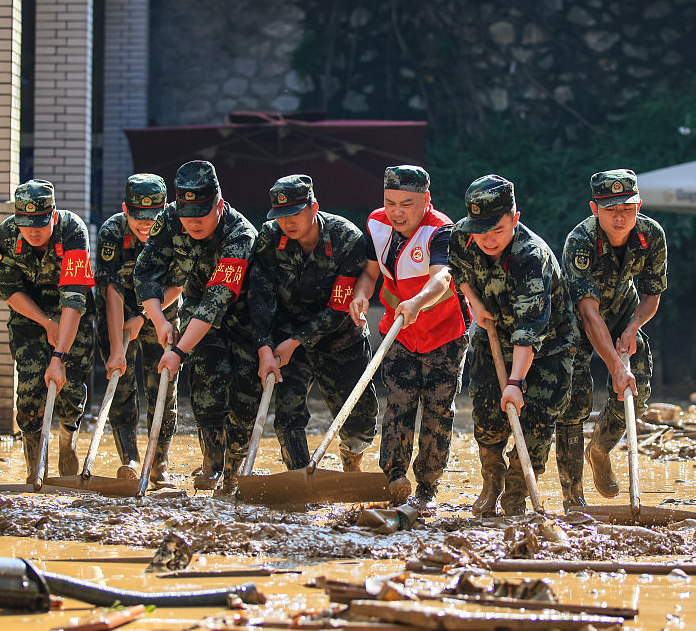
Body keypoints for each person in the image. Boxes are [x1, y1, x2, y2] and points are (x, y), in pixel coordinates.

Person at [449, 174, 577, 516]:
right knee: (487, 420)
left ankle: (516, 495)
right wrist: (474, 300)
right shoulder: (462, 235)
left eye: (498, 230)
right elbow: (457, 269)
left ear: (515, 218)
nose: (488, 239)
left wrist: (516, 383)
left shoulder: (530, 258)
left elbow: (529, 331)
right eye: (481, 231)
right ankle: (491, 484)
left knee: (535, 424)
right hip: (493, 335)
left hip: (546, 346)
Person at [349, 165, 472, 511]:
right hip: (399, 331)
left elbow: (442, 279)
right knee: (399, 402)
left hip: (443, 333)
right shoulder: (376, 223)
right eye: (390, 202)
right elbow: (370, 273)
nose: (397, 212)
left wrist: (417, 302)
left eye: (407, 203)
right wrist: (361, 294)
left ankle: (428, 487)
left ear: (426, 200)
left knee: (437, 410)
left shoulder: (441, 231)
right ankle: (394, 477)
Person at [133, 161, 260, 493]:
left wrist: (177, 351)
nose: (192, 224)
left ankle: (234, 474)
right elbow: (146, 272)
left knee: (244, 399)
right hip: (196, 313)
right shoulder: (169, 219)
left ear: (219, 205)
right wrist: (160, 320)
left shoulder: (239, 233)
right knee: (205, 394)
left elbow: (217, 299)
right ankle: (213, 466)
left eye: (201, 217)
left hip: (245, 318)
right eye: (187, 217)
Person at [248, 174, 379, 474]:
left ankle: (352, 457)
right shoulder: (269, 238)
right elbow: (260, 295)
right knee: (287, 416)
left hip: (340, 338)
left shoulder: (346, 237)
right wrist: (264, 347)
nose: (288, 222)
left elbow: (339, 307)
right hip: (285, 336)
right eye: (281, 216)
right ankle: (299, 477)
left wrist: (295, 341)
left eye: (295, 213)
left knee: (359, 421)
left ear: (314, 207)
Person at [559, 169, 667, 508]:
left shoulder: (651, 235)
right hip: (575, 321)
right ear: (595, 209)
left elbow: (652, 294)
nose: (620, 217)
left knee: (637, 388)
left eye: (627, 208)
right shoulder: (581, 242)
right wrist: (613, 366)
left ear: (639, 206)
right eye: (610, 210)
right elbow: (589, 316)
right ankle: (572, 497)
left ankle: (600, 449)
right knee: (573, 405)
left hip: (624, 311)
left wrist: (633, 328)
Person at [0, 179, 96, 483]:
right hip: (30, 315)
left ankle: (67, 439)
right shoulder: (7, 234)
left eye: (39, 223)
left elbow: (75, 298)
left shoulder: (73, 231)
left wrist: (60, 353)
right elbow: (10, 291)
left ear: (52, 215)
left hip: (70, 312)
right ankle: (34, 469)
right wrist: (46, 323)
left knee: (71, 388)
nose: (33, 231)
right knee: (28, 388)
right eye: (26, 224)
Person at [94, 174, 183, 480]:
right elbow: (112, 291)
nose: (145, 225)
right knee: (121, 384)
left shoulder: (177, 228)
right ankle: (130, 460)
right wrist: (118, 347)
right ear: (125, 209)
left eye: (152, 217)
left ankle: (159, 462)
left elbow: (176, 285)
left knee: (163, 386)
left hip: (162, 311)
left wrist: (144, 318)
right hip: (119, 313)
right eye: (137, 217)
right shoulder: (113, 232)